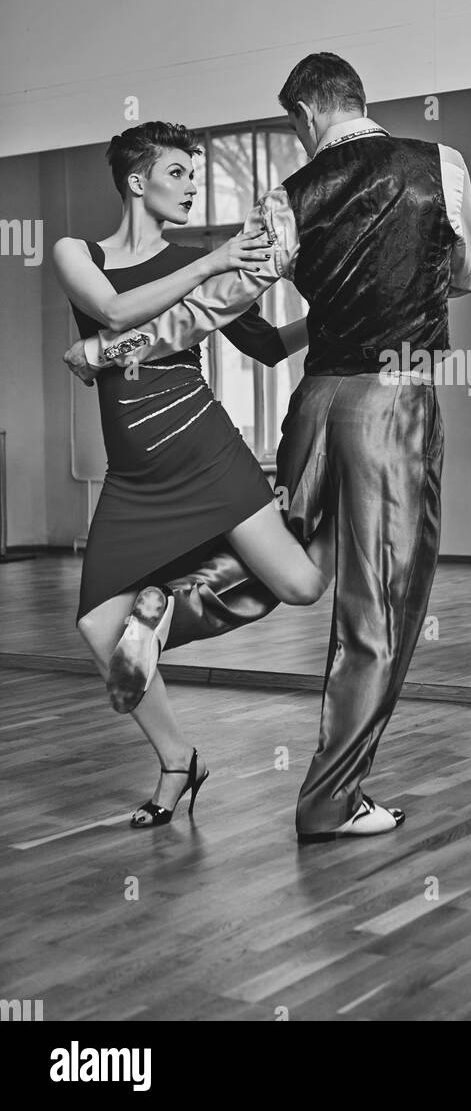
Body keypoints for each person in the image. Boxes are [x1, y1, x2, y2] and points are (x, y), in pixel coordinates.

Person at [64, 54, 471, 845]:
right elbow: (467, 272)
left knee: (294, 554)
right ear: (356, 101)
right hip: (393, 402)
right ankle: (332, 801)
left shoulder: (288, 198)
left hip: (317, 402)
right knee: (380, 608)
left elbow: (211, 310)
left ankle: (164, 611)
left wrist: (104, 354)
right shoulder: (443, 167)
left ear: (303, 116)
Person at [54, 121, 335, 829]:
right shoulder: (76, 253)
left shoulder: (197, 259)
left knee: (301, 584)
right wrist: (212, 265)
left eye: (193, 174)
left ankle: (173, 604)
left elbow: (269, 345)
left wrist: (327, 322)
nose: (191, 186)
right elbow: (114, 312)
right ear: (136, 180)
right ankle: (179, 760)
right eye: (178, 173)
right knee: (98, 628)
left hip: (205, 451)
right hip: (134, 475)